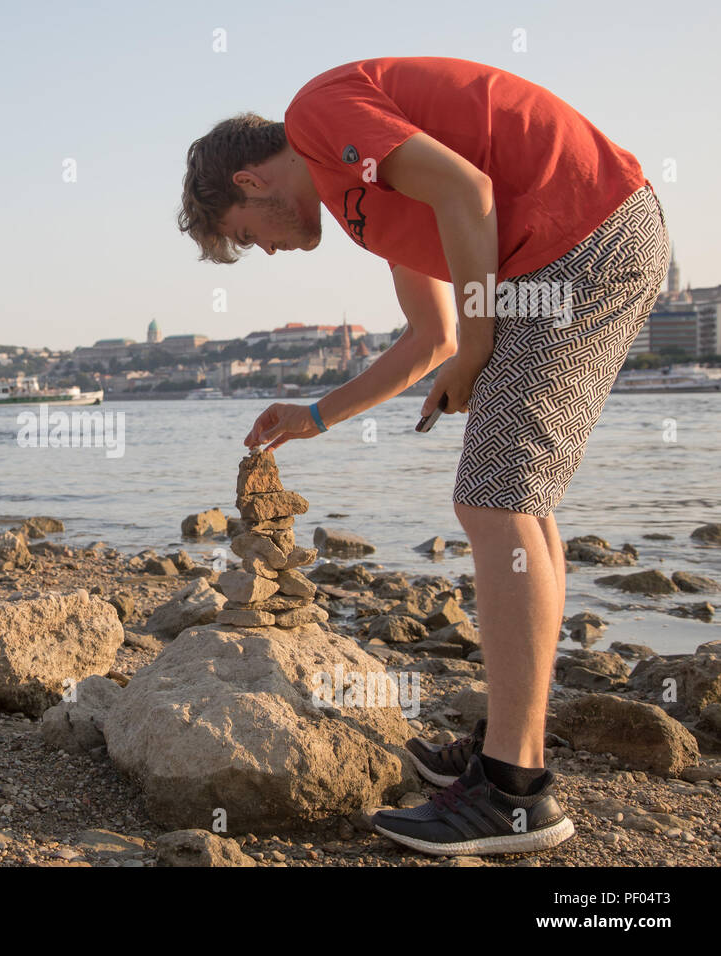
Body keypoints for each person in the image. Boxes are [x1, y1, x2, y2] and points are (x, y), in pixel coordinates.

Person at [178, 56, 669, 856]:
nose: (262, 252)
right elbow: (428, 337)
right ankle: (512, 759)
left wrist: (476, 350)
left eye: (245, 236)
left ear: (250, 180)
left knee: (495, 503)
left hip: (584, 237)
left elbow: (469, 192)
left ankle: (513, 795)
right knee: (519, 503)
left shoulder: (320, 115)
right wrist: (315, 414)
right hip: (552, 259)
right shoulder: (358, 198)